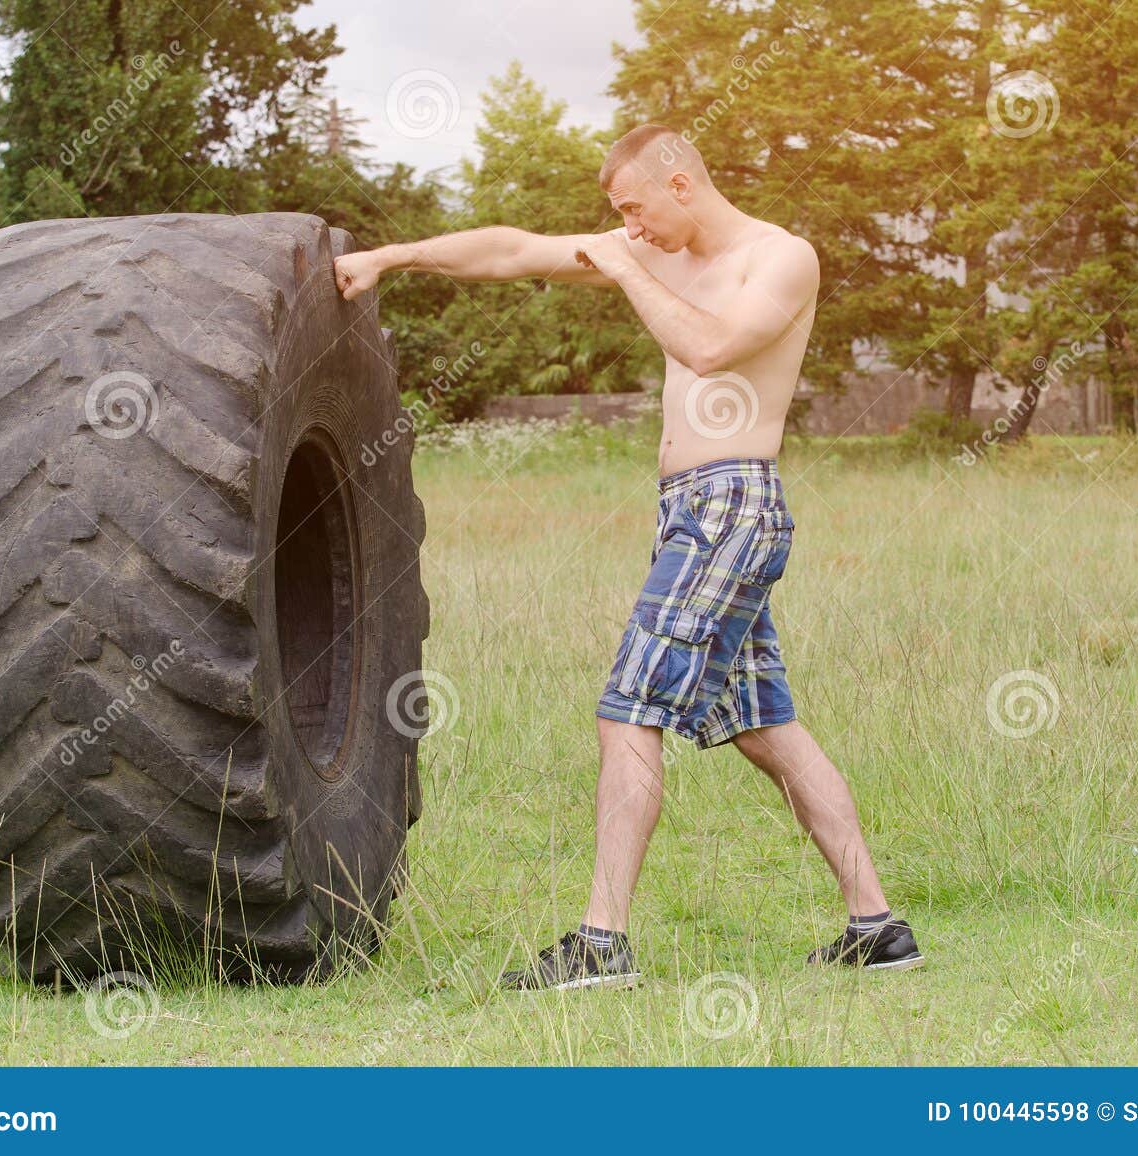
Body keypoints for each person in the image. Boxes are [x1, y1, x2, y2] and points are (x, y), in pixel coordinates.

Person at [333, 123, 923, 990]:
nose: (628, 229)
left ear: (681, 183)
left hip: (732, 503)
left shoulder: (781, 256)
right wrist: (394, 255)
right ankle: (877, 928)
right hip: (687, 510)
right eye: (621, 220)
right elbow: (513, 250)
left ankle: (601, 943)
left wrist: (626, 264)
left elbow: (713, 346)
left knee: (627, 710)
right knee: (765, 726)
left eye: (635, 209)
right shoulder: (650, 248)